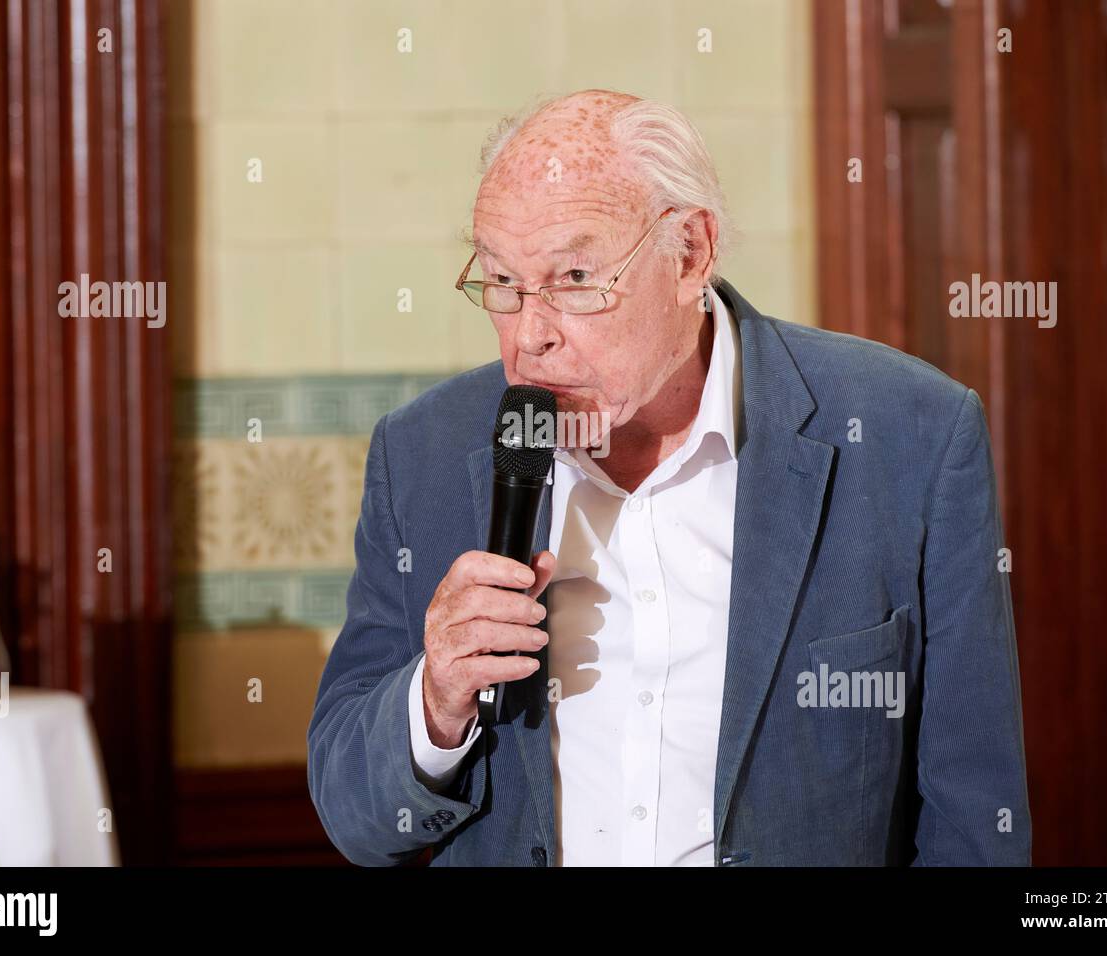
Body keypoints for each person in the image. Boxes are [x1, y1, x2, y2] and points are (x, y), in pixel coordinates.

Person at [307, 89, 1031, 866]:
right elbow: (358, 823)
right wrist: (435, 702)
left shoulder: (906, 436)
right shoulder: (421, 455)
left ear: (690, 254)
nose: (529, 340)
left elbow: (973, 822)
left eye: (576, 277)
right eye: (503, 283)